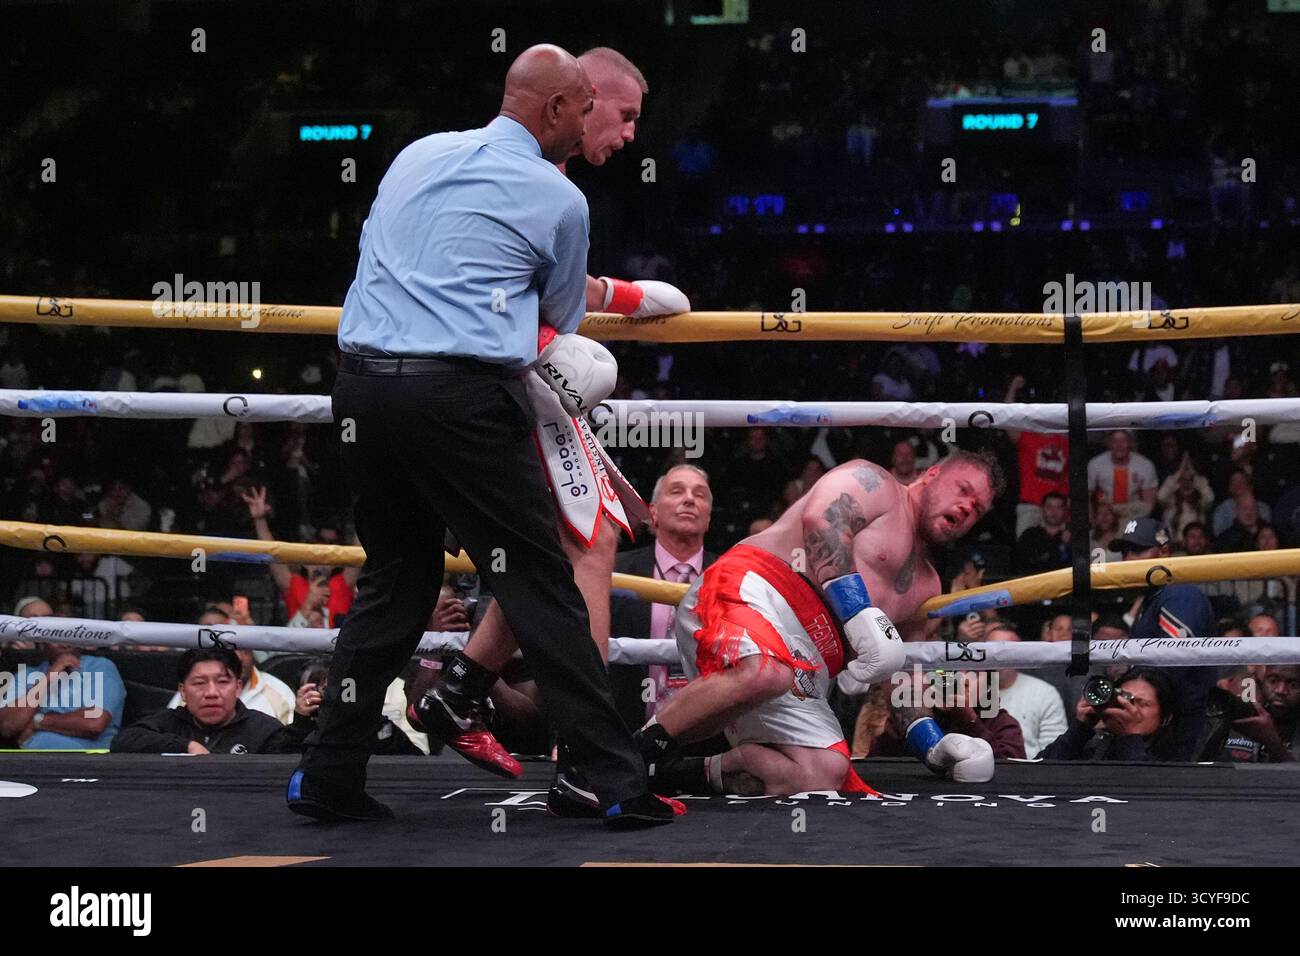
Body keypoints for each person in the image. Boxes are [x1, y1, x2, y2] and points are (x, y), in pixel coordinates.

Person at [287, 45, 676, 828]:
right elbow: (560, 323)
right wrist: (627, 296)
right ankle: (614, 783)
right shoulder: (558, 200)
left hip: (362, 389)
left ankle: (326, 774)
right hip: (457, 399)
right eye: (581, 111)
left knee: (396, 580)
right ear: (557, 109)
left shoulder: (417, 153)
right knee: (540, 580)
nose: (586, 126)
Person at [406, 47, 691, 810]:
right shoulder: (541, 181)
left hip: (444, 384)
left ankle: (461, 689)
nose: (632, 135)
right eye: (626, 115)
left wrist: (619, 296)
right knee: (591, 539)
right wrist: (628, 297)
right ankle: (582, 759)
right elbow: (543, 308)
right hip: (498, 383)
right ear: (583, 100)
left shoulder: (502, 167)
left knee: (556, 551)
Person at [639, 451, 1004, 797]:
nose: (967, 507)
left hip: (805, 670)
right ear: (933, 473)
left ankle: (674, 773)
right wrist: (857, 610)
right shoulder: (878, 485)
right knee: (767, 670)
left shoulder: (927, 585)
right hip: (756, 589)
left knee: (824, 773)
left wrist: (934, 746)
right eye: (964, 490)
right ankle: (629, 755)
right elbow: (824, 518)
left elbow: (901, 678)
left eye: (978, 508)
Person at [608, 465, 718, 727]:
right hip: (623, 733)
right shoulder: (614, 571)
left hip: (709, 737)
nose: (689, 499)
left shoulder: (733, 576)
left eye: (699, 495)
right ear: (653, 512)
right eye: (677, 491)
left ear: (709, 519)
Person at [1109, 518, 1218, 760]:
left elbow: (1168, 670)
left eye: (1137, 551)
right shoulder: (1154, 598)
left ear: (1164, 551)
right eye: (1125, 552)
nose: (1128, 560)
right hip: (1164, 727)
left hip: (1183, 731)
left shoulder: (1179, 594)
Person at [113, 648, 303, 755]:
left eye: (222, 682)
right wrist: (186, 746)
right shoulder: (170, 722)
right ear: (183, 691)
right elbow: (122, 741)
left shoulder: (263, 729)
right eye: (199, 683)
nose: (211, 693)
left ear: (237, 688)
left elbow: (291, 758)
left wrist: (304, 721)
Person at [0, 640, 126, 750]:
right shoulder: (25, 675)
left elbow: (94, 723)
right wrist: (49, 676)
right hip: (32, 762)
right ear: (43, 641)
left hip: (88, 761)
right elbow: (7, 727)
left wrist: (36, 721)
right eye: (55, 637)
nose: (64, 643)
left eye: (69, 636)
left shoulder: (100, 666)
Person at [1039, 667, 1181, 761]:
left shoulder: (1176, 754)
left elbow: (1147, 788)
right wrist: (1080, 728)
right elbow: (1035, 775)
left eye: (1142, 703)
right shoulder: (1095, 745)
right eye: (1123, 698)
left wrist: (1131, 736)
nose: (1130, 708)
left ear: (1165, 717)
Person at [980, 620, 1067, 758]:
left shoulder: (1044, 693)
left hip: (1029, 772)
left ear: (1020, 656)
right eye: (991, 650)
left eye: (1007, 650)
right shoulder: (968, 692)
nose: (998, 656)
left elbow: (1053, 751)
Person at [1087, 430, 1157, 523]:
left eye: (1124, 441)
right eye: (1115, 441)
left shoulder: (1145, 465)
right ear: (1108, 443)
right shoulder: (1095, 464)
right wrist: (1092, 522)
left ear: (1130, 443)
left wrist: (1119, 510)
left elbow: (1148, 505)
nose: (1119, 445)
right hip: (1104, 520)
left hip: (1133, 518)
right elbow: (1086, 497)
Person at [1013, 491, 1070, 575]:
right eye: (1049, 507)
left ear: (1065, 510)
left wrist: (1067, 545)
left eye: (1058, 507)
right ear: (1042, 509)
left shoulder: (1071, 536)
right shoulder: (1029, 535)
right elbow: (1019, 564)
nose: (1054, 511)